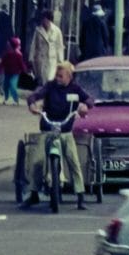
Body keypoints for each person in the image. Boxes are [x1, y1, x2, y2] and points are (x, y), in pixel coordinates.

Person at [24, 62, 94, 210]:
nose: (58, 78)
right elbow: (36, 95)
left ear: (69, 76)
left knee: (73, 161)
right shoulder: (50, 86)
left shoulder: (75, 89)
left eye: (61, 76)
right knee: (38, 161)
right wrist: (32, 104)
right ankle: (34, 193)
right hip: (47, 130)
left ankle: (80, 197)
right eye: (57, 75)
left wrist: (85, 106)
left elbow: (89, 99)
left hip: (65, 132)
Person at [29, 10, 64, 94]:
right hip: (41, 60)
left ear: (48, 19)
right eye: (42, 19)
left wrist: (61, 61)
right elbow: (34, 45)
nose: (43, 21)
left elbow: (59, 47)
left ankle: (48, 95)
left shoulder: (57, 31)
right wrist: (31, 58)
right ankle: (45, 95)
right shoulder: (38, 30)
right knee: (42, 80)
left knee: (50, 79)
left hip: (52, 60)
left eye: (44, 19)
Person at [0, 37, 28, 105]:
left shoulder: (18, 55)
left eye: (9, 45)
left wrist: (24, 69)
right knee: (5, 86)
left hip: (15, 74)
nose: (7, 46)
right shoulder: (6, 54)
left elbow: (21, 63)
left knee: (12, 85)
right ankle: (6, 98)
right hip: (7, 73)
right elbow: (2, 62)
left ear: (12, 46)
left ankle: (15, 100)